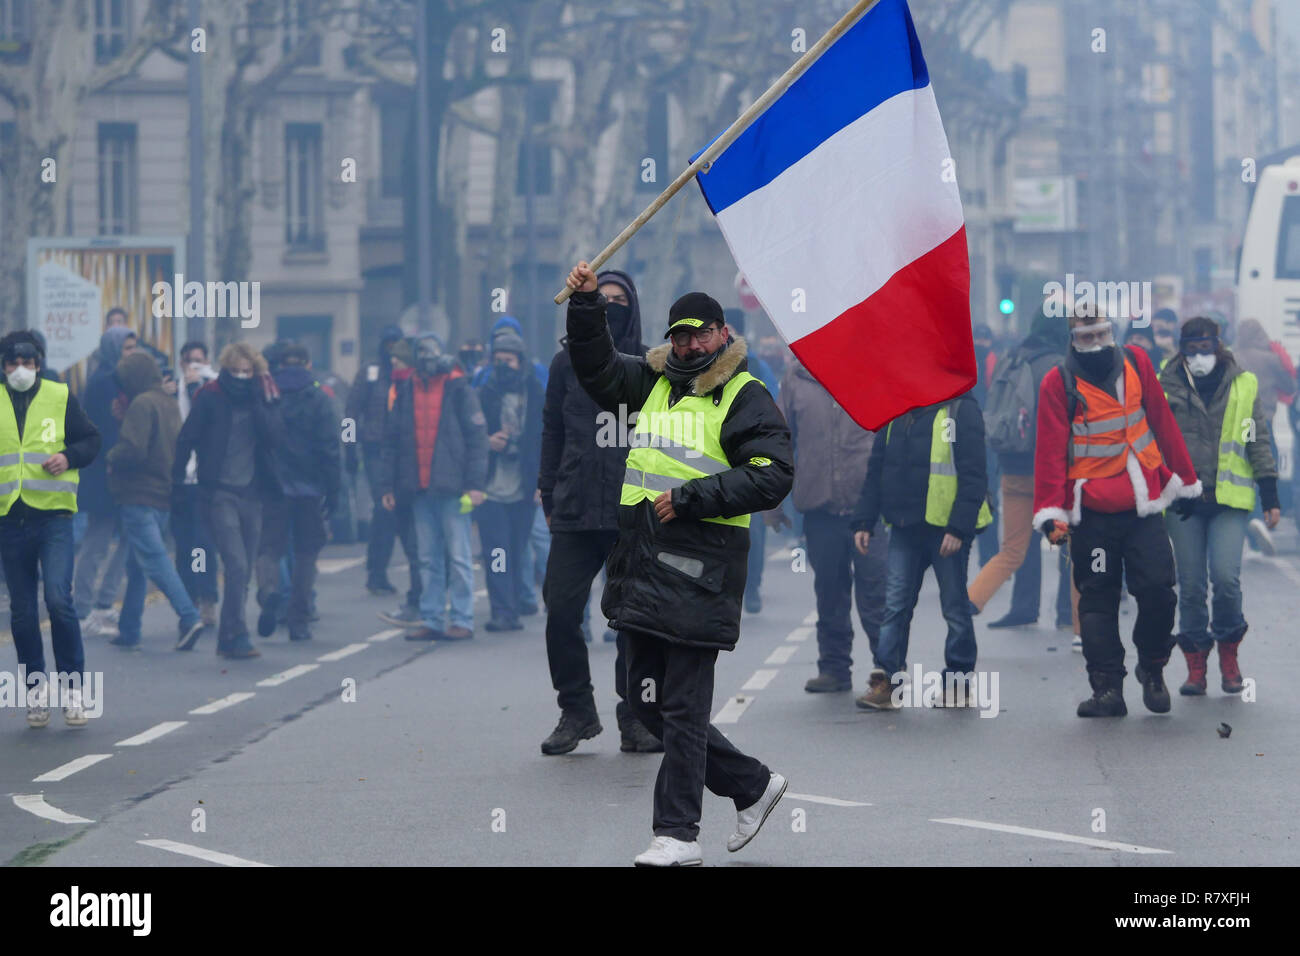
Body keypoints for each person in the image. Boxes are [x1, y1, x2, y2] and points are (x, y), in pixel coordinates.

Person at [565, 261, 793, 867]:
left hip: (700, 577)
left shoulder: (744, 394)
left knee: (683, 710)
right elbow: (596, 370)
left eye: (700, 333)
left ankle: (677, 834)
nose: (690, 344)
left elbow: (773, 475)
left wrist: (693, 498)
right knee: (643, 703)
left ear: (722, 334)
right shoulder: (655, 381)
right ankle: (751, 785)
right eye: (679, 335)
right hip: (642, 574)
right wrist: (587, 306)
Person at [1033, 306, 1201, 717]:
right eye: (1086, 337)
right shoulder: (1058, 382)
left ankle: (1152, 666)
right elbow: (1050, 450)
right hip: (1092, 514)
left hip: (1143, 508)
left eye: (1101, 334)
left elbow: (1162, 422)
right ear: (1072, 339)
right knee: (1096, 603)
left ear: (1112, 332)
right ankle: (1108, 688)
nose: (1096, 343)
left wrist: (1186, 481)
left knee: (1160, 592)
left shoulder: (1137, 362)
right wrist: (1051, 513)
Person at [537, 268, 660, 755]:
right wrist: (549, 493)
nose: (610, 306)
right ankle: (576, 711)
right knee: (561, 609)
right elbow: (552, 431)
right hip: (575, 507)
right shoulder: (564, 364)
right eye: (600, 299)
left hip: (634, 510)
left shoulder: (651, 364)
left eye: (619, 300)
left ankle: (636, 716)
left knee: (634, 621)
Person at [1158, 317, 1279, 696]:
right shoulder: (1165, 384)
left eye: (1204, 347)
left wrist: (1270, 496)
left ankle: (1229, 655)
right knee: (1191, 586)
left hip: (1229, 499)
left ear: (1218, 345)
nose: (1198, 355)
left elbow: (1257, 439)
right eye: (1190, 348)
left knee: (1226, 580)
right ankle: (1196, 666)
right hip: (1184, 501)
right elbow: (1153, 441)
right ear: (1182, 347)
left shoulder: (1244, 384)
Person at [851, 394, 991, 710]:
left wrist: (958, 528)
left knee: (954, 608)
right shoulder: (894, 410)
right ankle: (888, 681)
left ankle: (958, 683)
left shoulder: (961, 409)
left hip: (945, 529)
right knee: (896, 605)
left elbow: (975, 475)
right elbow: (877, 470)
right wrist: (864, 520)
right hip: (904, 526)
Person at [0, 331, 101, 728]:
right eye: (12, 363)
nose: (20, 370)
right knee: (23, 613)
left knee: (58, 599)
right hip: (10, 519)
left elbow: (91, 439)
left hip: (53, 517)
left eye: (27, 363)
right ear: (4, 365)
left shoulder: (59, 397)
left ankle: (74, 690)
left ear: (38, 364)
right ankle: (36, 693)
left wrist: (68, 455)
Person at [779, 355, 887, 693]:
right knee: (829, 591)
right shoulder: (795, 381)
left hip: (868, 511)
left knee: (876, 594)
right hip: (819, 509)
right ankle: (835, 668)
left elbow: (893, 440)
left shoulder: (872, 376)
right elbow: (780, 443)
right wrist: (771, 504)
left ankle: (888, 670)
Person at [174, 342, 284, 659]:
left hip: (253, 492)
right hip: (219, 492)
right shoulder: (210, 396)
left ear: (255, 372)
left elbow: (276, 437)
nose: (240, 376)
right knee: (235, 564)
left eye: (247, 371)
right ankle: (238, 633)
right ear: (224, 368)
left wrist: (260, 396)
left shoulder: (262, 396)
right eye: (235, 370)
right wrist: (178, 480)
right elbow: (188, 438)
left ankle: (228, 636)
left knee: (245, 567)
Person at [376, 332, 487, 642]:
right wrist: (387, 484)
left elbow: (477, 438)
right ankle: (433, 617)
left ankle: (462, 618)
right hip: (420, 489)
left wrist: (475, 484)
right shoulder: (409, 388)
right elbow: (392, 441)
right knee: (428, 558)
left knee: (458, 557)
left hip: (452, 489)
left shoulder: (458, 387)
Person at [969, 311, 1067, 626]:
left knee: (1014, 547)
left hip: (1012, 470)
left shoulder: (1011, 359)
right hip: (1050, 477)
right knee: (1063, 546)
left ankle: (982, 603)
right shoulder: (1060, 366)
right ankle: (1070, 614)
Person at [106, 350, 204, 651]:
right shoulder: (168, 403)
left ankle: (189, 616)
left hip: (138, 493)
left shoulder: (141, 404)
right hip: (164, 492)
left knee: (155, 559)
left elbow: (133, 449)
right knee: (138, 564)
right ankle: (129, 627)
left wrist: (110, 457)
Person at [255, 342, 340, 642]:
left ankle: (268, 592)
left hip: (273, 488)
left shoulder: (266, 396)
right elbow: (330, 447)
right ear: (307, 363)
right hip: (309, 488)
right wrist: (334, 491)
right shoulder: (319, 398)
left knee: (269, 548)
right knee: (306, 553)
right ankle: (299, 618)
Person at [474, 328, 544, 632]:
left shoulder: (535, 392)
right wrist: (487, 441)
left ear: (520, 361)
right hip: (490, 487)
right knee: (497, 552)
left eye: (509, 360)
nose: (504, 366)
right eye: (498, 360)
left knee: (516, 550)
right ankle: (502, 610)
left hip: (524, 486)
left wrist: (543, 483)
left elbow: (546, 439)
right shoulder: (483, 392)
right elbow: (470, 433)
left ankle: (514, 605)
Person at [73, 326, 136, 635]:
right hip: (103, 475)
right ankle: (83, 609)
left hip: (119, 474)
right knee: (97, 541)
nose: (131, 354)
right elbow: (103, 430)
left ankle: (103, 603)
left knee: (126, 537)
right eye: (126, 348)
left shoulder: (120, 380)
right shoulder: (103, 382)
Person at [724, 310, 779, 615]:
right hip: (717, 461)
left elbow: (774, 408)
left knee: (753, 530)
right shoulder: (706, 367)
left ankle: (752, 587)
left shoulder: (757, 366)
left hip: (750, 460)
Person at [347, 324, 406, 595]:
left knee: (395, 511)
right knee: (384, 508)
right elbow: (351, 411)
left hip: (402, 451)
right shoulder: (370, 373)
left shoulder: (406, 373)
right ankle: (376, 571)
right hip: (375, 449)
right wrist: (349, 448)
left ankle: (380, 570)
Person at [1231, 318, 1296, 554]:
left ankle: (1248, 518)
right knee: (1266, 471)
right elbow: (1289, 387)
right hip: (1264, 422)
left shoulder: (1232, 357)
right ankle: (1261, 516)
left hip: (1238, 423)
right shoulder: (1271, 360)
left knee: (1242, 472)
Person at [174, 340, 220, 626]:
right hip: (180, 476)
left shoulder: (215, 387)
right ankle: (189, 599)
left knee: (204, 544)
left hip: (205, 476)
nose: (194, 367)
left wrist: (197, 388)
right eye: (189, 361)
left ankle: (208, 599)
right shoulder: (173, 388)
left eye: (199, 361)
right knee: (184, 545)